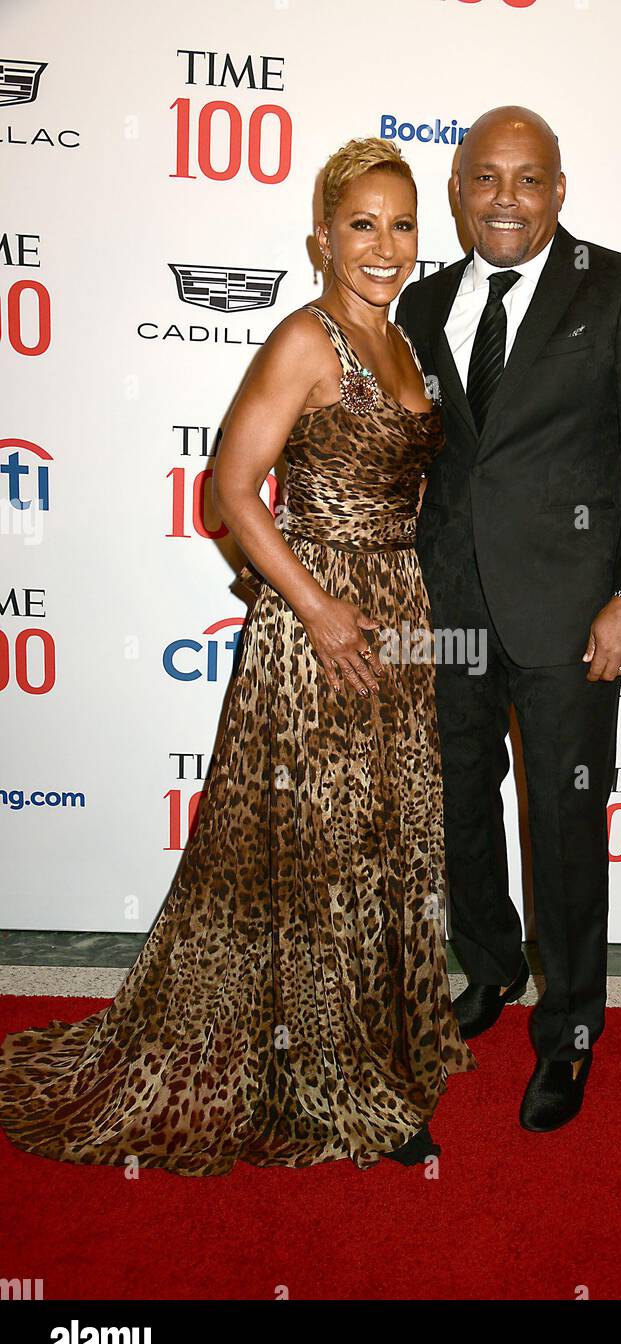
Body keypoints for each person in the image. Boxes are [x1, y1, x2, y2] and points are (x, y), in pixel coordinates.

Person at [0, 136, 475, 1176]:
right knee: (323, 861)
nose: (384, 245)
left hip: (395, 617)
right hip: (321, 633)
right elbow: (226, 489)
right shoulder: (306, 340)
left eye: (400, 225)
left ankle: (380, 1048)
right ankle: (337, 1082)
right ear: (319, 239)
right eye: (361, 225)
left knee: (379, 850)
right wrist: (312, 605)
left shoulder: (403, 344)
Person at [395, 105, 621, 1133]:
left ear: (557, 190)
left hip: (574, 612)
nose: (505, 200)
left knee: (563, 822)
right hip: (445, 603)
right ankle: (487, 967)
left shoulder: (619, 288)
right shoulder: (423, 302)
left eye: (527, 180)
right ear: (458, 188)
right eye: (485, 178)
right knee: (455, 804)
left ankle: (568, 1029)